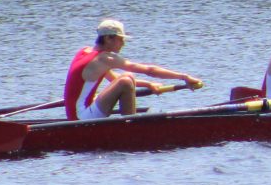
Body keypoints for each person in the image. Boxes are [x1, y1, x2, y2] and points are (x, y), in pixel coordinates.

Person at [64, 18, 204, 120]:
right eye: (120, 39)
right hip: (81, 118)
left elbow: (114, 79)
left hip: (77, 113)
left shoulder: (85, 51)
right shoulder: (104, 59)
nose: (123, 43)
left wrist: (148, 84)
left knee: (126, 79)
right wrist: (184, 77)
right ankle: (131, 126)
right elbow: (149, 70)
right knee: (126, 81)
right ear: (108, 38)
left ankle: (129, 121)